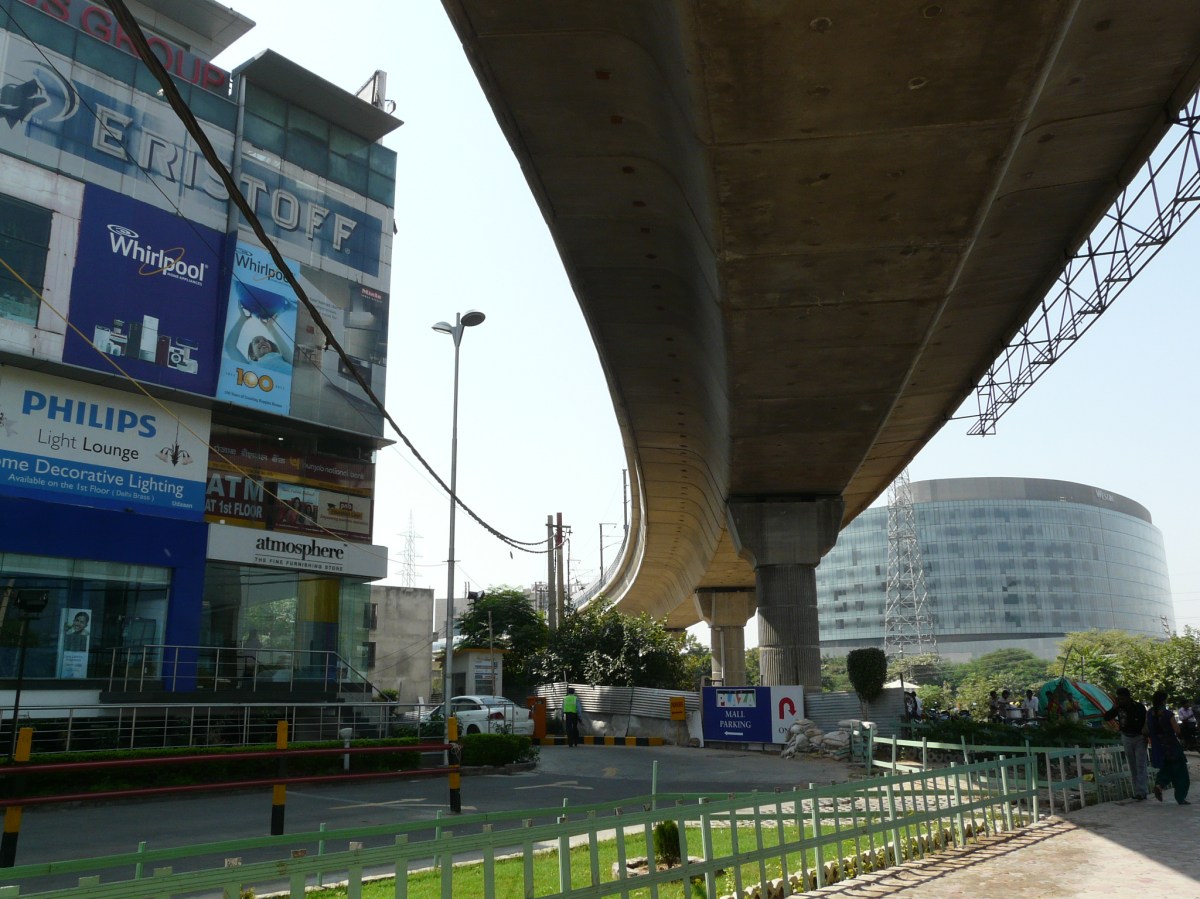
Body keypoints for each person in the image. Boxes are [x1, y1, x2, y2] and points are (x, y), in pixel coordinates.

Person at [1103, 687, 1149, 800]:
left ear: (1128, 697)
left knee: (1140, 764)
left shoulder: (1138, 707)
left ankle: (1142, 791)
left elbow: (1146, 721)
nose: (1121, 700)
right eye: (1119, 698)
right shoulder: (1119, 707)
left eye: (1122, 698)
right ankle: (1137, 791)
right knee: (1133, 765)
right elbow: (1107, 717)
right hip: (1126, 737)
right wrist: (1115, 707)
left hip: (1139, 737)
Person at [1146, 690, 1190, 804]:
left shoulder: (1150, 713)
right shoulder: (1167, 714)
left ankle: (1159, 785)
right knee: (1180, 772)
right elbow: (1177, 730)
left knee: (1167, 768)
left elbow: (1145, 730)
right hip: (1172, 746)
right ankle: (1180, 797)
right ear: (1164, 700)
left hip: (1159, 748)